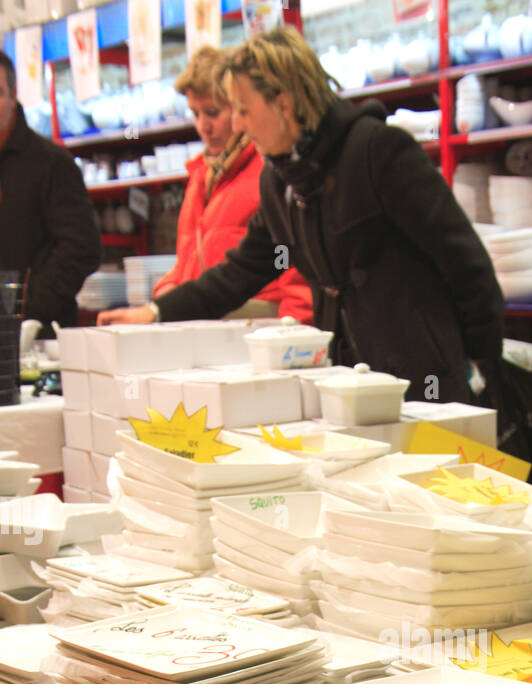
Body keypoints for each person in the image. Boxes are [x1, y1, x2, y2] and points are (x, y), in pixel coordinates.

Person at [98, 27, 503, 404]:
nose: (237, 123)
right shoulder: (280, 183)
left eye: (243, 109)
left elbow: (463, 261)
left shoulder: (378, 153)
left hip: (425, 387)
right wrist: (155, 313)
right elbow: (240, 272)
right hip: (348, 384)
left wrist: (481, 364)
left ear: (284, 104)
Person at [149, 45, 312, 320]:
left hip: (260, 326)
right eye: (195, 114)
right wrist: (166, 293)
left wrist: (294, 329)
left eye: (213, 112)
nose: (203, 126)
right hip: (206, 324)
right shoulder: (200, 177)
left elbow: (289, 264)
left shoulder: (269, 171)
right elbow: (187, 261)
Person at [0, 52, 101, 328]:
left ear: (13, 96)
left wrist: (28, 309)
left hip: (40, 338)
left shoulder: (51, 163)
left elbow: (82, 248)